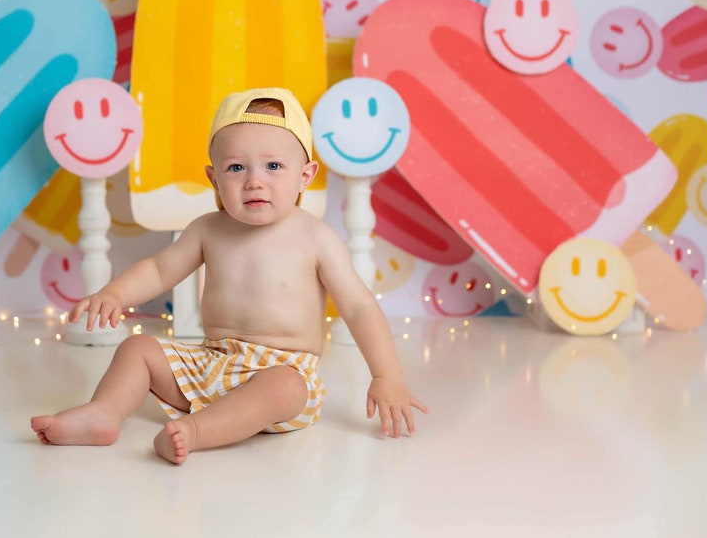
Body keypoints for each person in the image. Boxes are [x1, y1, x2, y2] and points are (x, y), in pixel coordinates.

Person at [31, 87, 427, 464]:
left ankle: (196, 431)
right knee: (137, 350)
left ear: (305, 176)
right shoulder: (208, 229)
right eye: (236, 167)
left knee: (283, 388)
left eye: (274, 166)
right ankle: (104, 412)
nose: (255, 180)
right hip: (212, 363)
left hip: (284, 371)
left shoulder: (316, 238)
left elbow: (358, 308)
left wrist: (386, 375)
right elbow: (159, 269)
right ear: (214, 178)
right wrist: (115, 295)